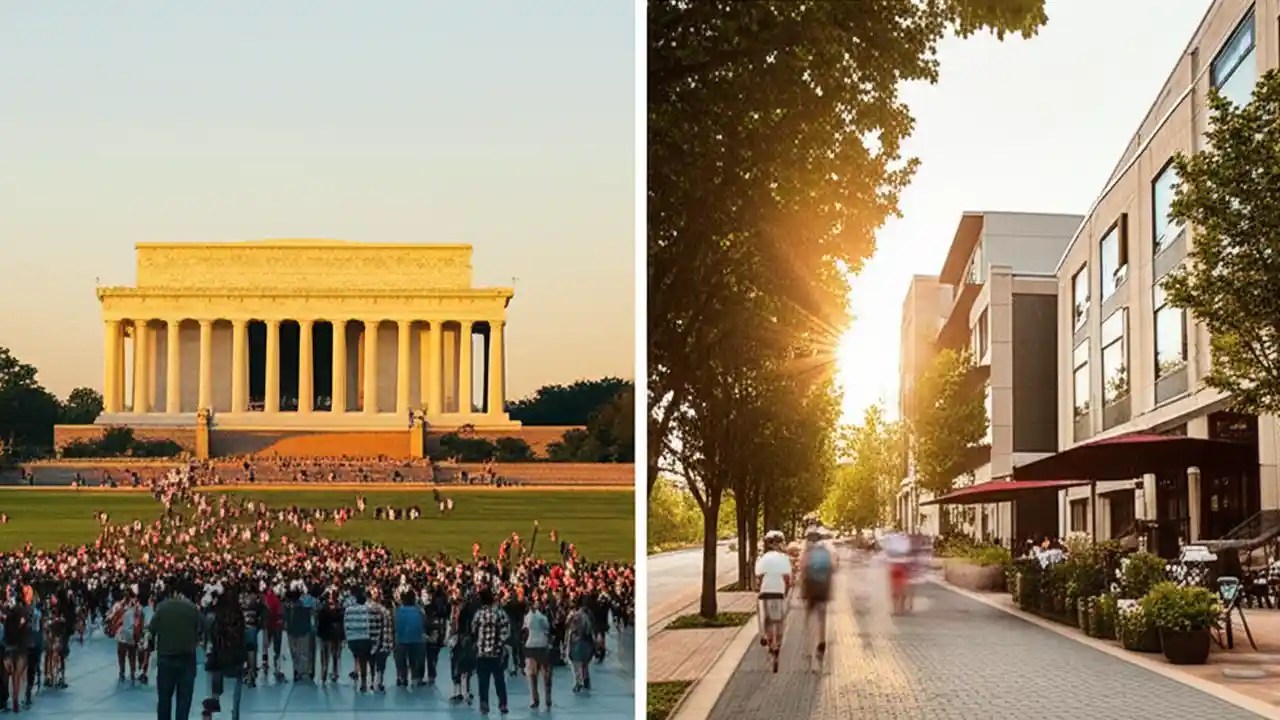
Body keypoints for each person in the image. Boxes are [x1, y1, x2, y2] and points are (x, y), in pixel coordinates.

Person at [150, 584, 203, 720]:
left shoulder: (162, 608)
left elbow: (151, 630)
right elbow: (201, 630)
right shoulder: (192, 609)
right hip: (187, 659)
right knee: (184, 701)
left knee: (164, 699)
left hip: (166, 658)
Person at [754, 529, 792, 673]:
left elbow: (759, 577)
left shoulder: (762, 559)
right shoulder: (784, 559)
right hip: (779, 591)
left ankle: (771, 644)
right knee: (780, 620)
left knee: (768, 620)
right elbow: (788, 579)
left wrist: (758, 588)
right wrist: (786, 591)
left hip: (766, 591)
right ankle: (778, 645)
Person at [798, 526, 835, 668]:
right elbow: (833, 567)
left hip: (811, 587)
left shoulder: (807, 552)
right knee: (822, 616)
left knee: (809, 616)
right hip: (824, 587)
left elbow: (802, 569)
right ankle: (821, 641)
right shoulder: (826, 551)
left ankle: (809, 646)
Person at [470, 587, 511, 715]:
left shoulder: (479, 614)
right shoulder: (500, 613)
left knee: (483, 681)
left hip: (482, 652)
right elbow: (506, 630)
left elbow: (473, 629)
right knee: (499, 679)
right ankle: (502, 704)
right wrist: (501, 643)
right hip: (497, 652)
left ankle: (484, 704)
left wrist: (478, 641)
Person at [523, 599, 553, 710]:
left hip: (530, 647)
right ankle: (548, 698)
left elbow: (525, 629)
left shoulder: (527, 617)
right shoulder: (543, 618)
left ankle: (534, 699)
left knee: (532, 675)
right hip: (542, 646)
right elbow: (548, 628)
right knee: (546, 675)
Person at [343, 587, 373, 692]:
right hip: (364, 638)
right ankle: (364, 682)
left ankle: (356, 671)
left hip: (352, 639)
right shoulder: (368, 610)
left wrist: (346, 638)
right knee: (364, 659)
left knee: (357, 656)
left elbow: (346, 624)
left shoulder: (348, 610)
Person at [393, 591, 425, 688]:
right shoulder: (419, 611)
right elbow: (424, 624)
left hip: (400, 640)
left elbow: (394, 625)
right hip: (416, 640)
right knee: (414, 661)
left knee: (401, 661)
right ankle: (415, 679)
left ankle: (403, 679)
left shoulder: (397, 611)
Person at [881, 529, 913, 614]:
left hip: (894, 566)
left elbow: (886, 551)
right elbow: (908, 550)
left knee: (894, 588)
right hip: (903, 566)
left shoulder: (890, 540)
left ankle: (895, 609)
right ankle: (901, 608)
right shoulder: (905, 540)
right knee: (902, 587)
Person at [566, 597, 594, 693]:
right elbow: (590, 631)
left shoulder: (574, 616)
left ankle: (578, 682)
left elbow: (570, 630)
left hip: (576, 642)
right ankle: (586, 680)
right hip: (586, 642)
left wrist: (568, 645)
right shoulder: (587, 617)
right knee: (584, 663)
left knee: (575, 664)